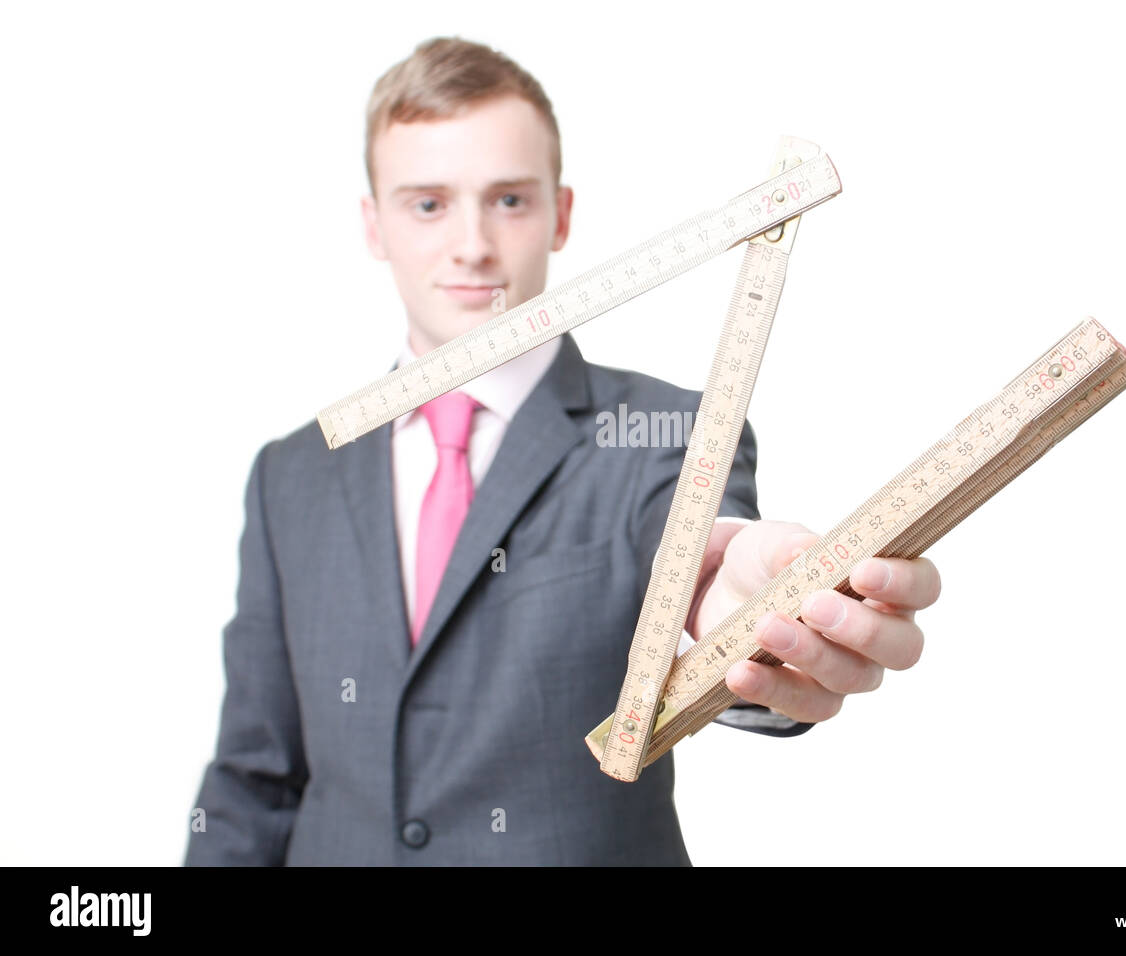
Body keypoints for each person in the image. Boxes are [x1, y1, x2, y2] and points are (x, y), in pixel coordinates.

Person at [184, 35, 942, 866]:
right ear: (374, 224)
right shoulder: (288, 475)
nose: (471, 244)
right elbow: (252, 780)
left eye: (508, 200)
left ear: (562, 212)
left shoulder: (672, 434)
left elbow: (711, 572)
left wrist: (745, 625)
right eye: (427, 203)